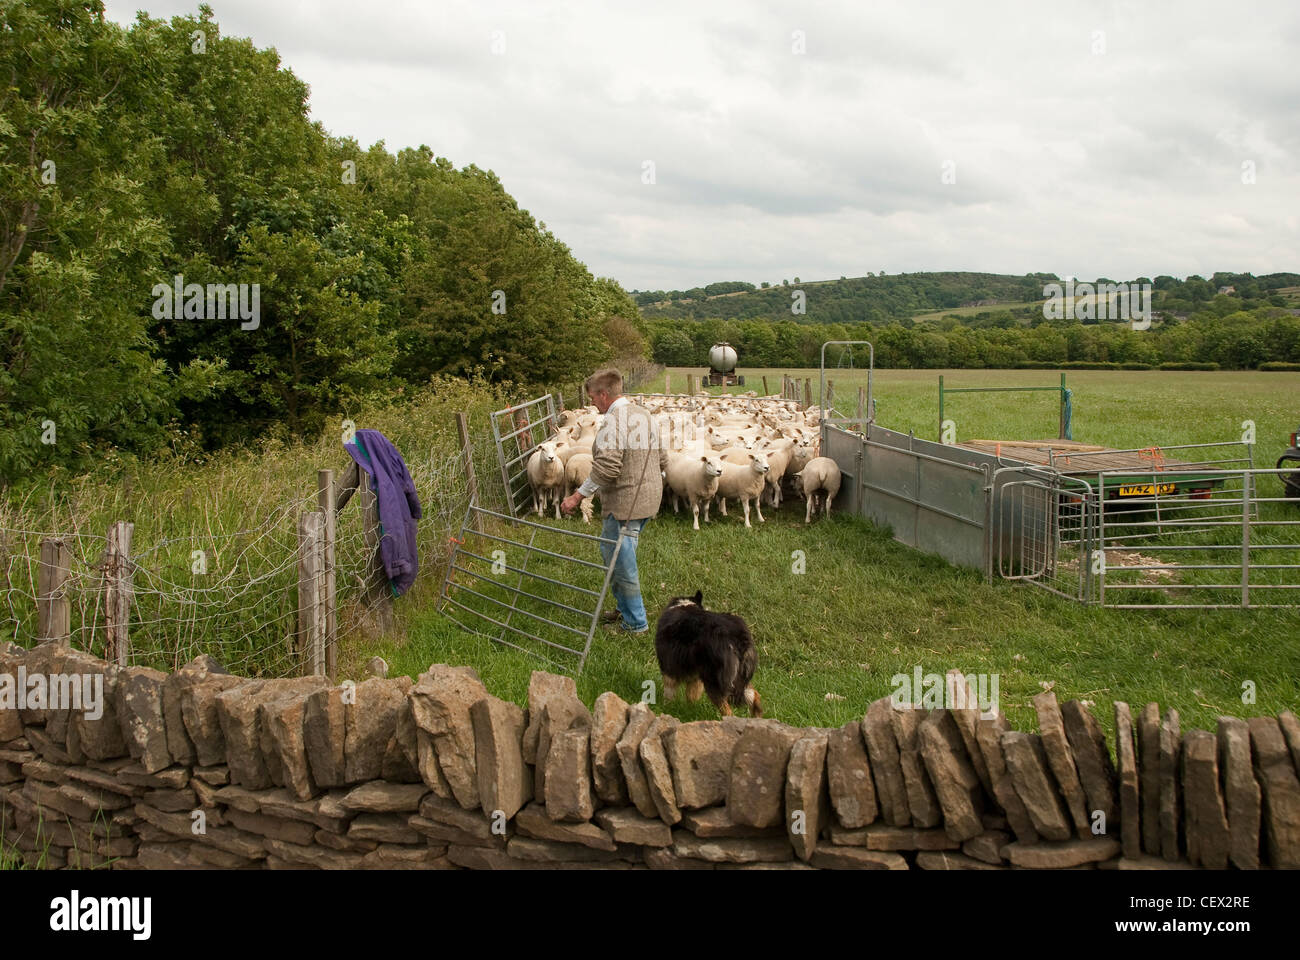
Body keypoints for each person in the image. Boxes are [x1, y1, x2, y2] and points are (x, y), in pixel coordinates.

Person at [560, 368, 667, 634]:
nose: (593, 403)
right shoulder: (644, 415)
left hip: (626, 504)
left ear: (604, 394)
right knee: (614, 553)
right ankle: (624, 608)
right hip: (647, 499)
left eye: (594, 398)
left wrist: (577, 496)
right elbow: (663, 457)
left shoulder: (614, 421)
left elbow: (607, 467)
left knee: (620, 558)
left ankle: (635, 623)